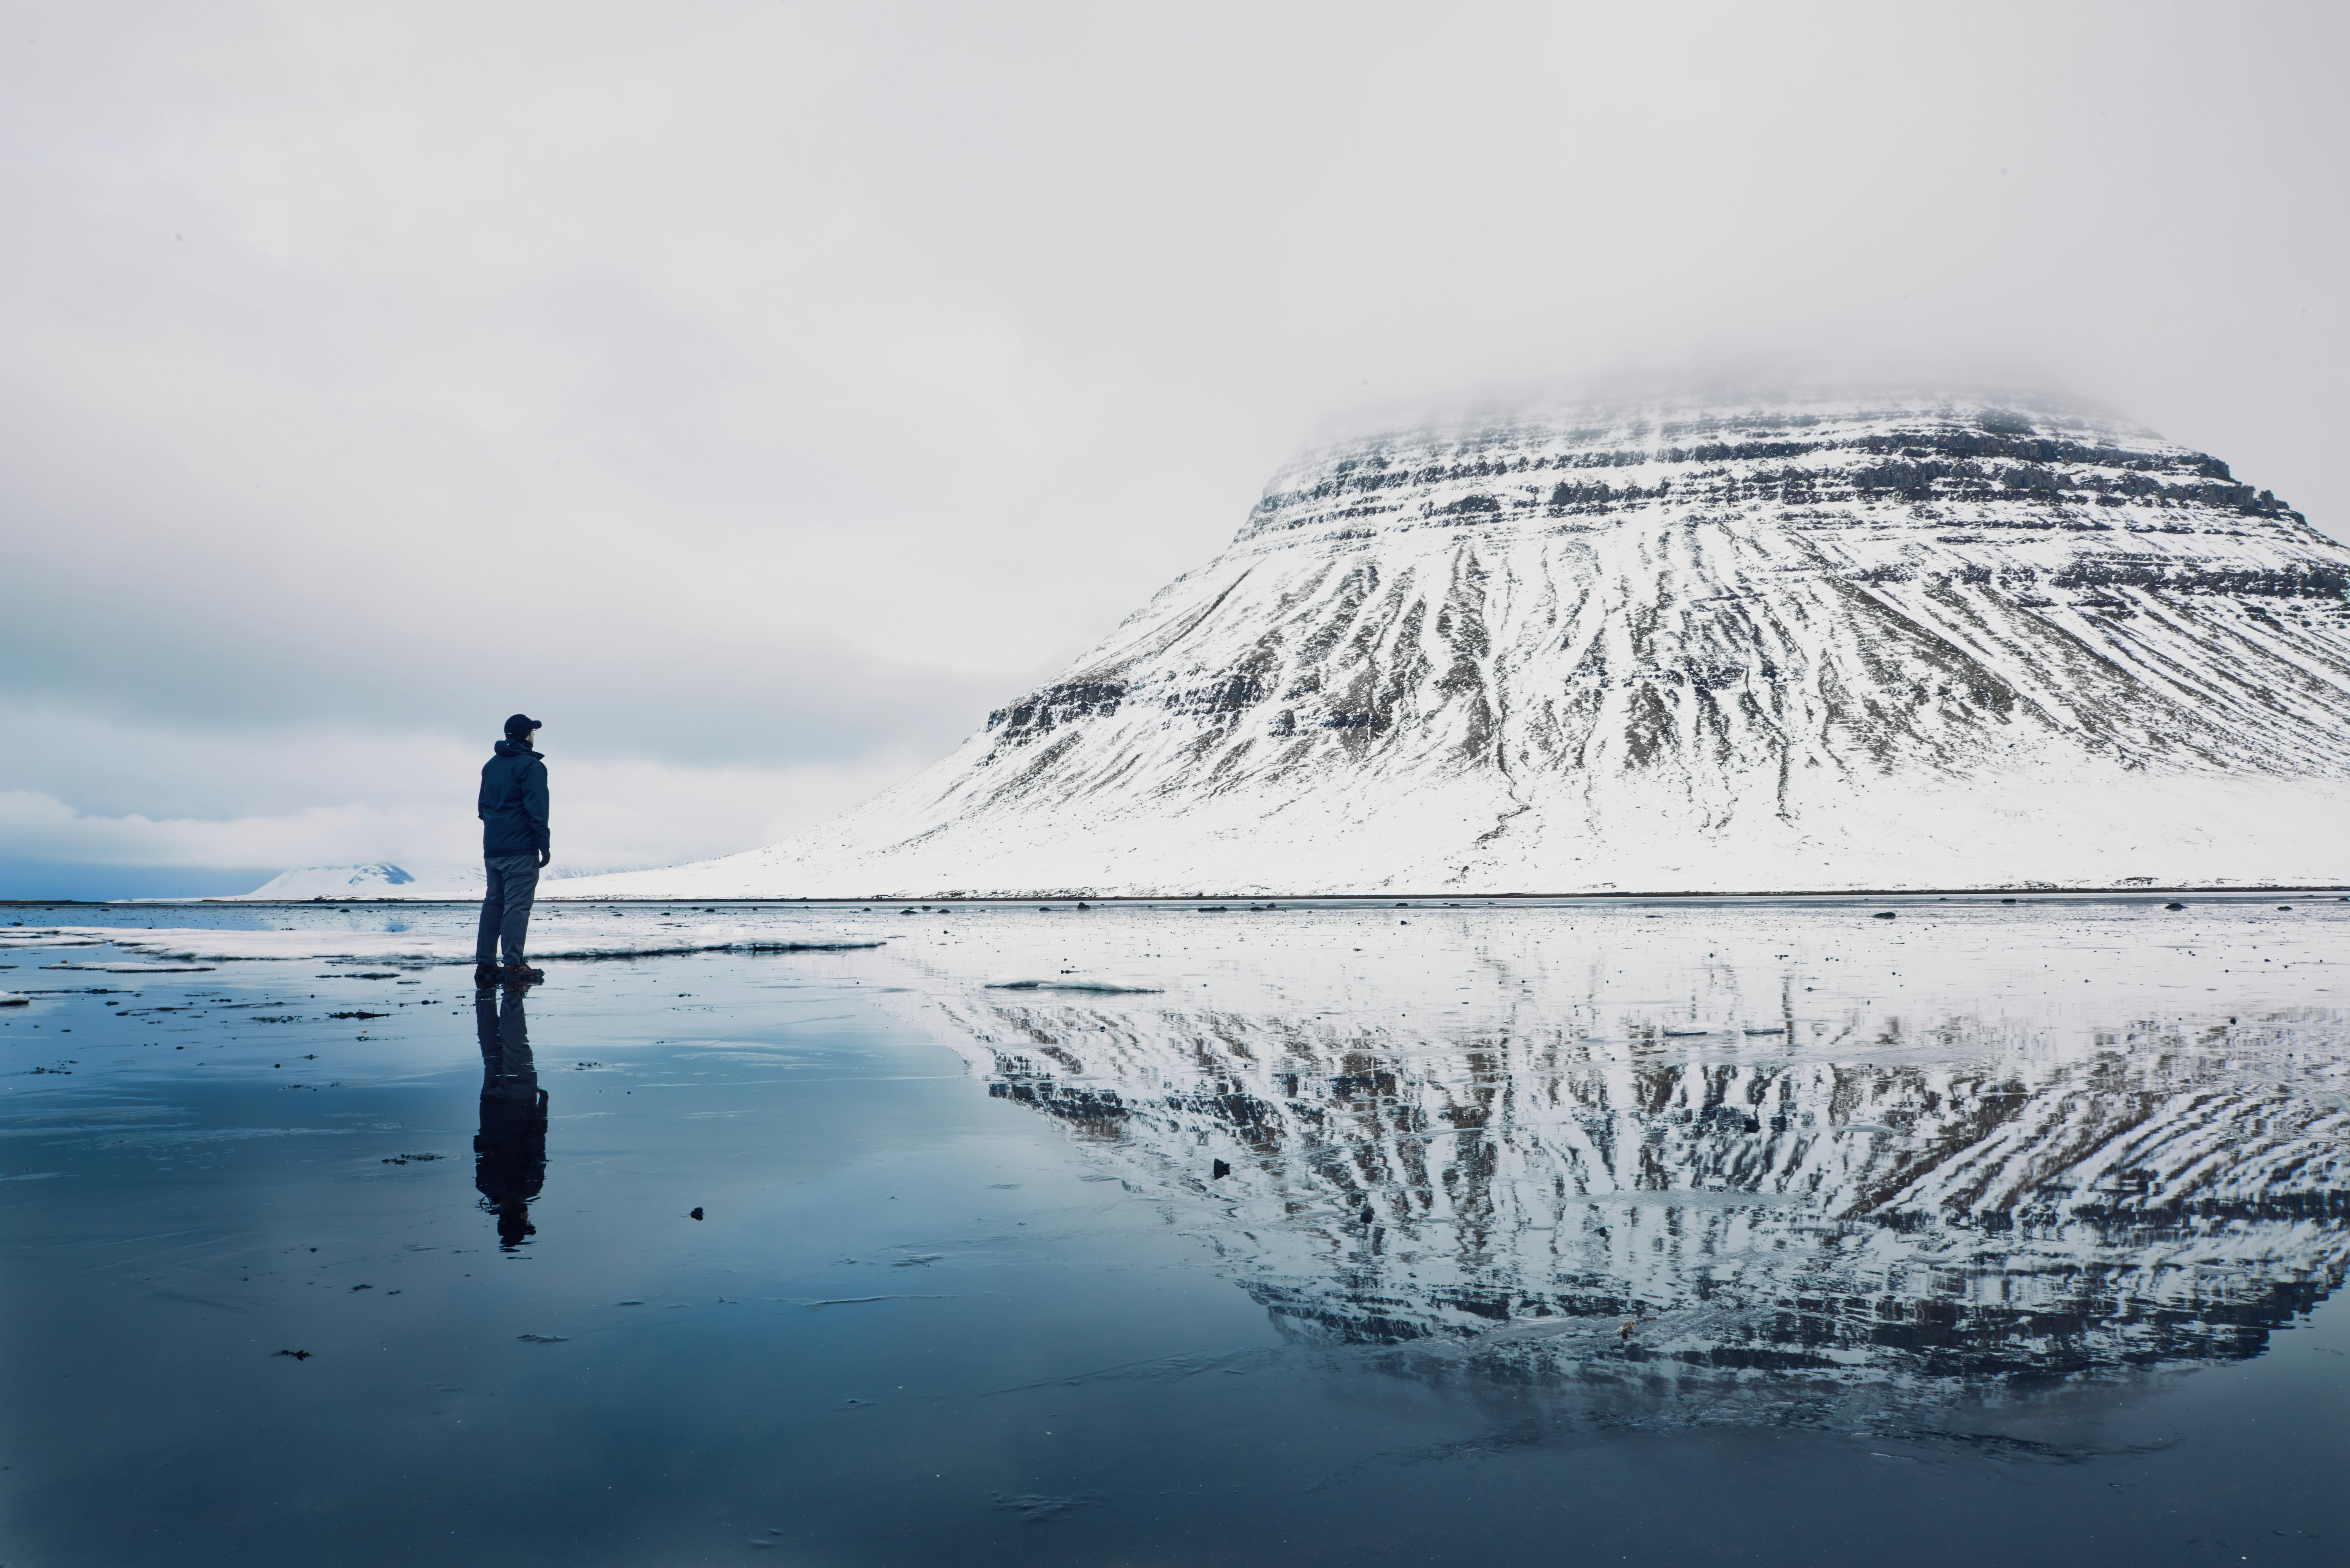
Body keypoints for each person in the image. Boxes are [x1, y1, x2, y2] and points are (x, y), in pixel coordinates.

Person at [475, 713, 550, 988]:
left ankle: (485, 964)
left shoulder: (490, 766)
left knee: (494, 903)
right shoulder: (531, 767)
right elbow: (538, 809)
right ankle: (514, 963)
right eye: (533, 731)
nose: (534, 735)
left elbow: (482, 809)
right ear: (526, 735)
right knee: (517, 906)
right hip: (520, 849)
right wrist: (544, 844)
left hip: (493, 848)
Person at [473, 985, 548, 1249]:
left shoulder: (529, 1188)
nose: (529, 1217)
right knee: (491, 1049)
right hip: (490, 1107)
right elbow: (480, 1147)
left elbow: (536, 1144)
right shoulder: (486, 1188)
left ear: (520, 1218)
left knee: (516, 1047)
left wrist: (543, 1108)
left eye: (526, 1222)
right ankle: (484, 994)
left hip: (519, 1104)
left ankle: (512, 993)